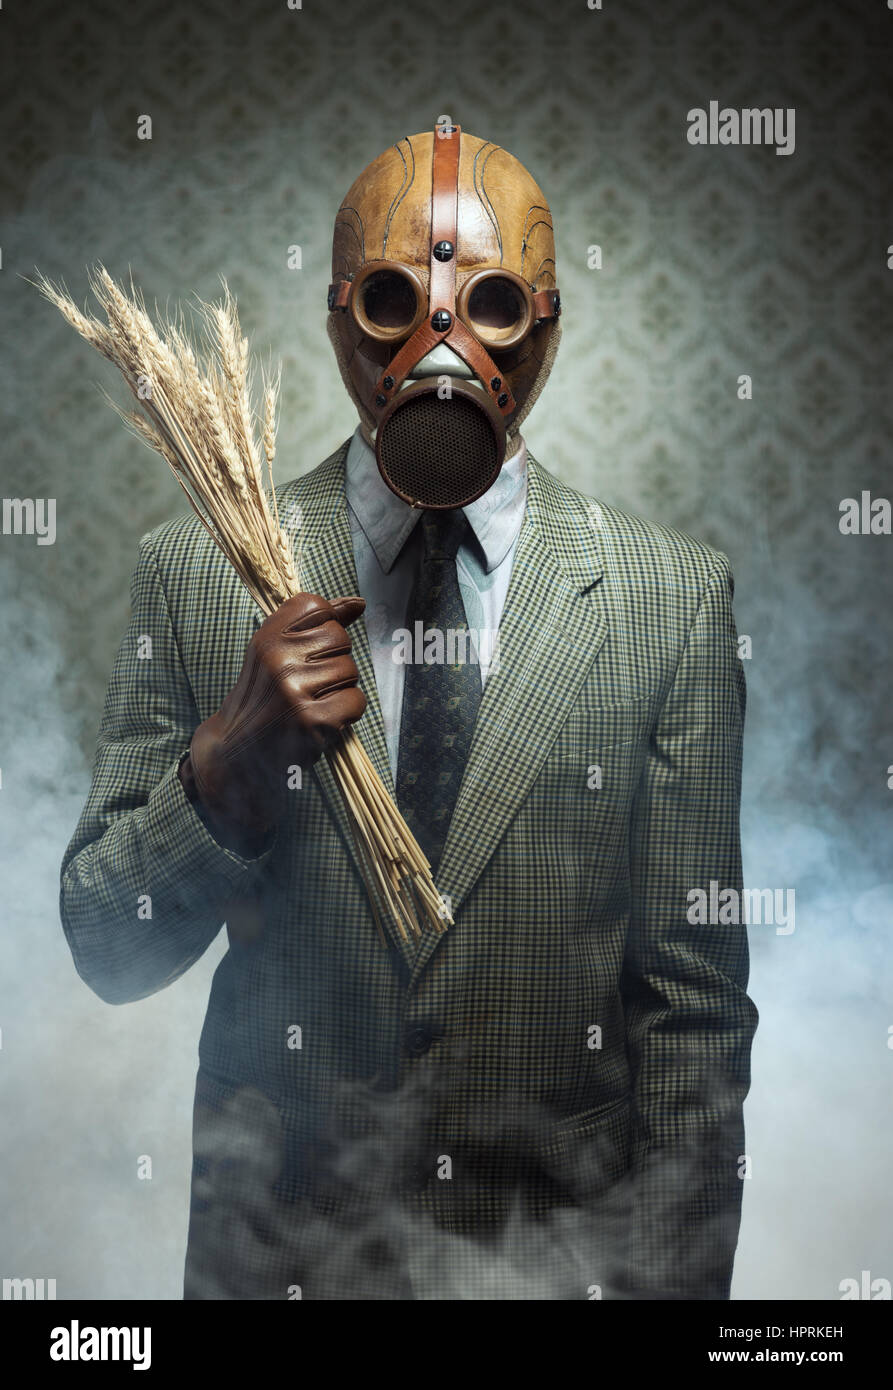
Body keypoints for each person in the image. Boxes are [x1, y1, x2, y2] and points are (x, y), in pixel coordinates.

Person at [60, 123, 758, 1300]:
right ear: (337, 317)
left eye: (487, 303)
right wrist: (221, 772)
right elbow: (108, 948)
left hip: (557, 1267)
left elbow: (691, 1017)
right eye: (394, 298)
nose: (442, 344)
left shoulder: (668, 600)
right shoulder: (199, 573)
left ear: (545, 321)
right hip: (275, 1266)